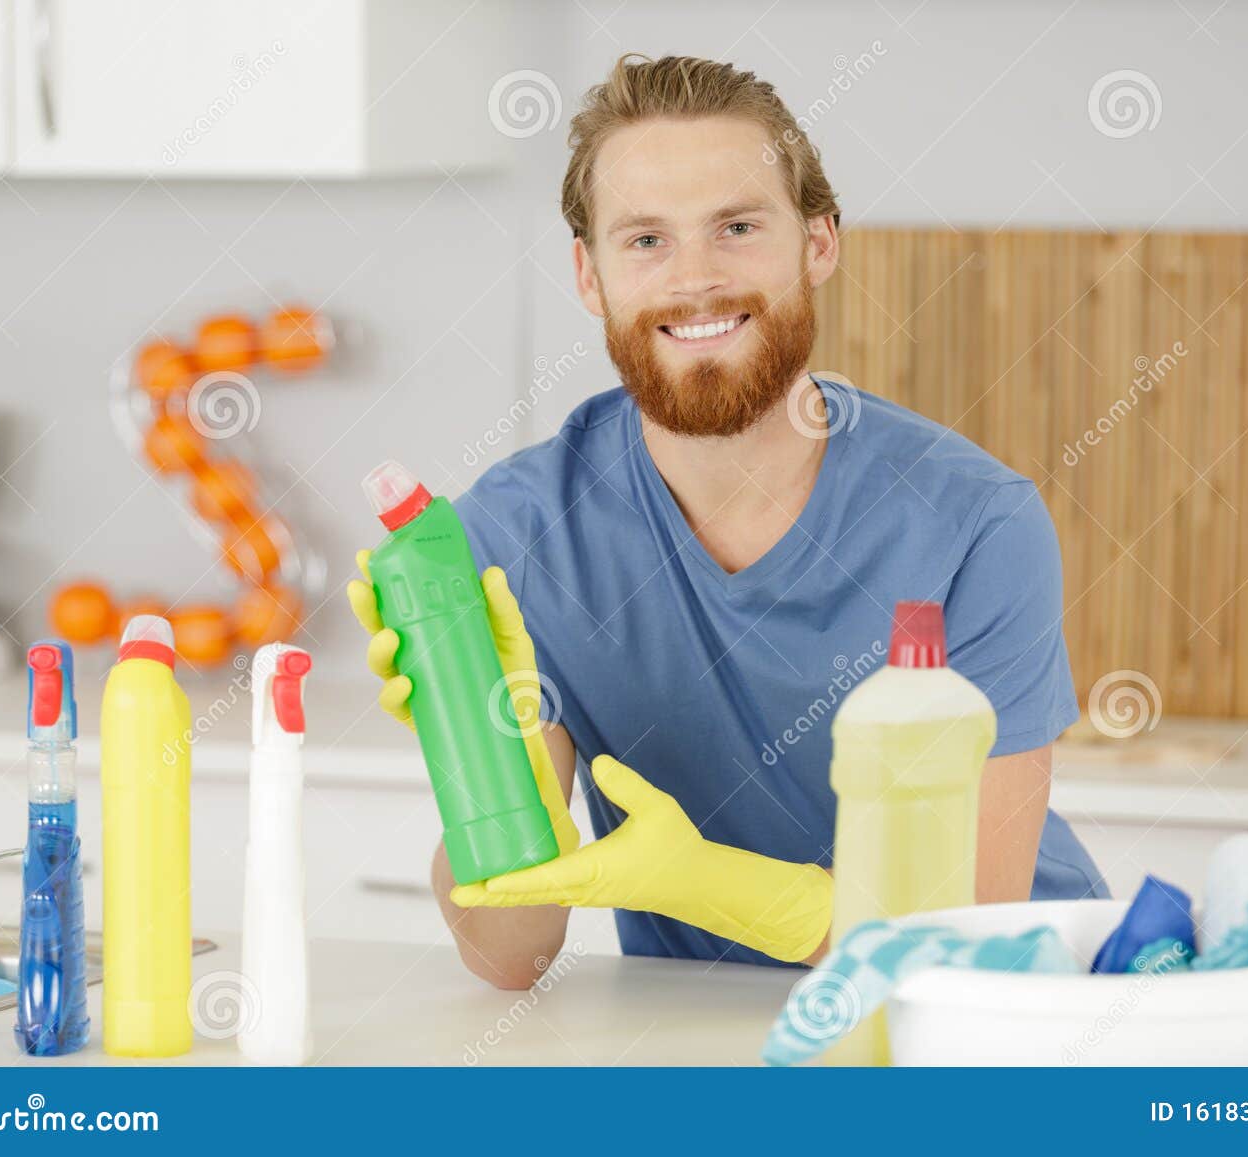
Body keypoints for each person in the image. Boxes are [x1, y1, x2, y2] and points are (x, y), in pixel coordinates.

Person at [348, 53, 1108, 991]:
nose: (696, 279)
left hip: (999, 1022)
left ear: (818, 243)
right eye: (646, 240)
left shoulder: (975, 524)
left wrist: (711, 884)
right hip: (707, 1033)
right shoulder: (522, 533)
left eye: (737, 227)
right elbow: (510, 954)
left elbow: (966, 945)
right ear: (590, 275)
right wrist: (489, 777)